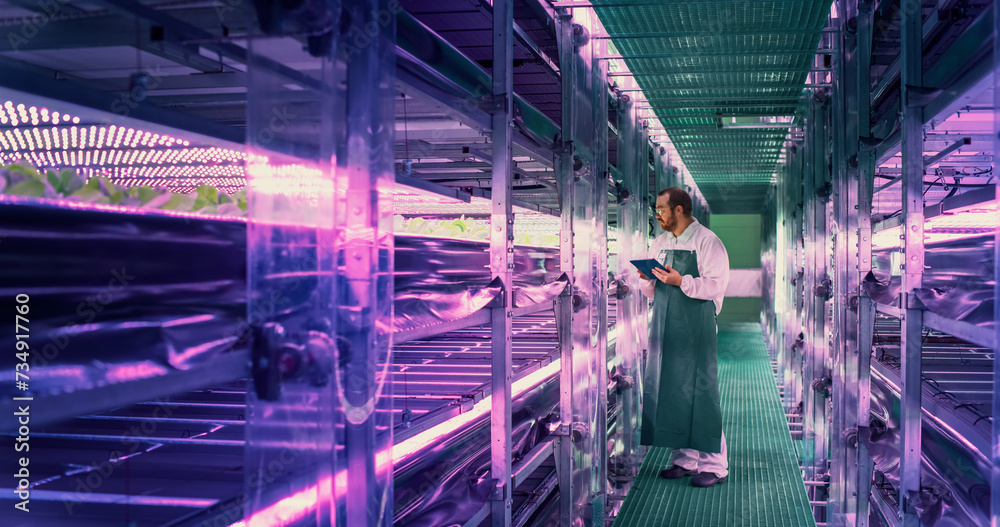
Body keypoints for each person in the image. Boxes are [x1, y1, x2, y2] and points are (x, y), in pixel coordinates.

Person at [637, 187, 730, 488]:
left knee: (702, 395)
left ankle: (714, 466)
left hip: (696, 325)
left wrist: (682, 281)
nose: (657, 214)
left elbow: (715, 286)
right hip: (666, 323)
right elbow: (653, 291)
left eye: (661, 208)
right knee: (672, 389)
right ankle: (684, 460)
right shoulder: (661, 242)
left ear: (679, 210)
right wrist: (646, 280)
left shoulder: (708, 241)